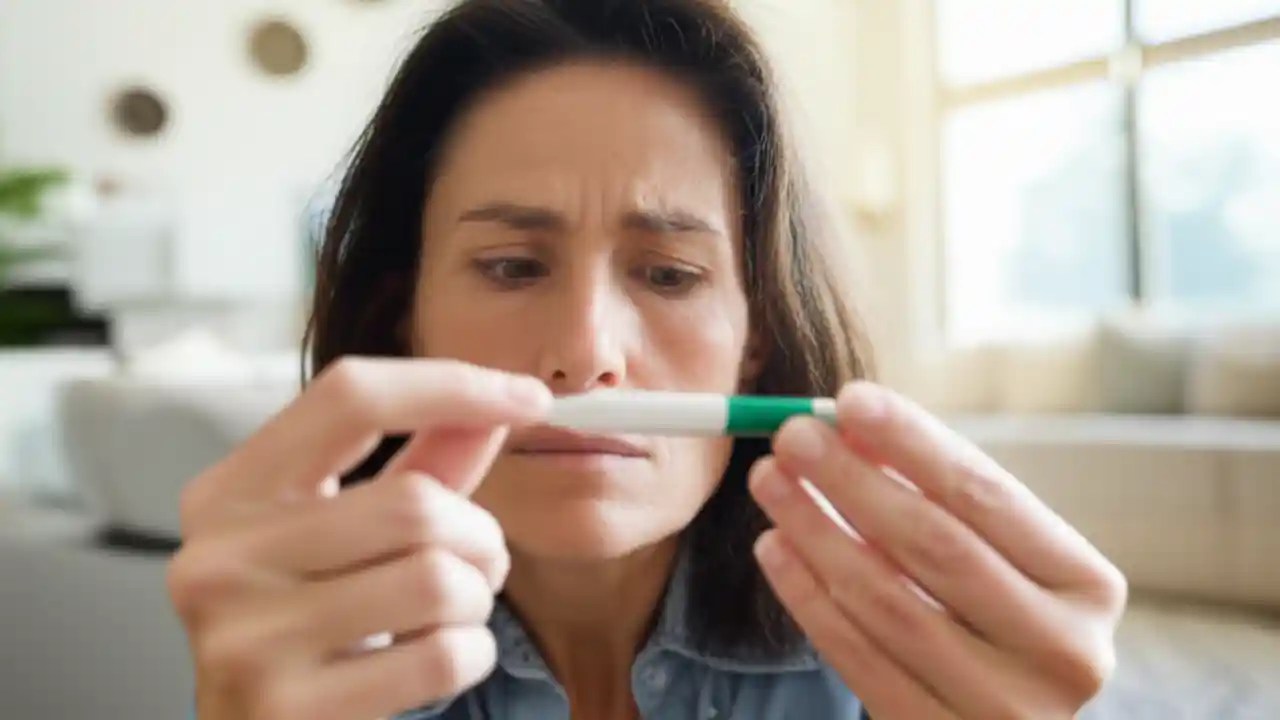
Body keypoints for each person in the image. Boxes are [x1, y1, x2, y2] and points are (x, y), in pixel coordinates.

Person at [166, 1, 1128, 718]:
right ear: (402, 321)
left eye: (669, 275)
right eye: (510, 266)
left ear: (754, 346)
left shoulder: (891, 651)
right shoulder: (319, 666)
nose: (586, 355)